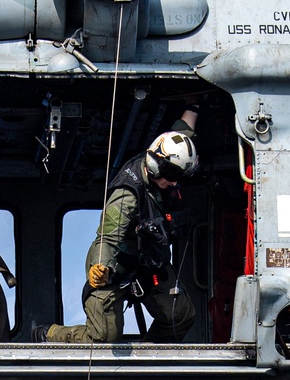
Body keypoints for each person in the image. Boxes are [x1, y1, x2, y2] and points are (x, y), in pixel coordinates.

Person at [38, 108, 200, 343]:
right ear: (156, 166)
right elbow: (108, 239)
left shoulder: (165, 157)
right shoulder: (127, 195)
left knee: (181, 316)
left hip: (147, 261)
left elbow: (181, 134)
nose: (175, 183)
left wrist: (193, 108)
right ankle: (51, 334)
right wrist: (101, 268)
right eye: (172, 176)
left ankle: (149, 354)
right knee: (103, 338)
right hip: (115, 264)